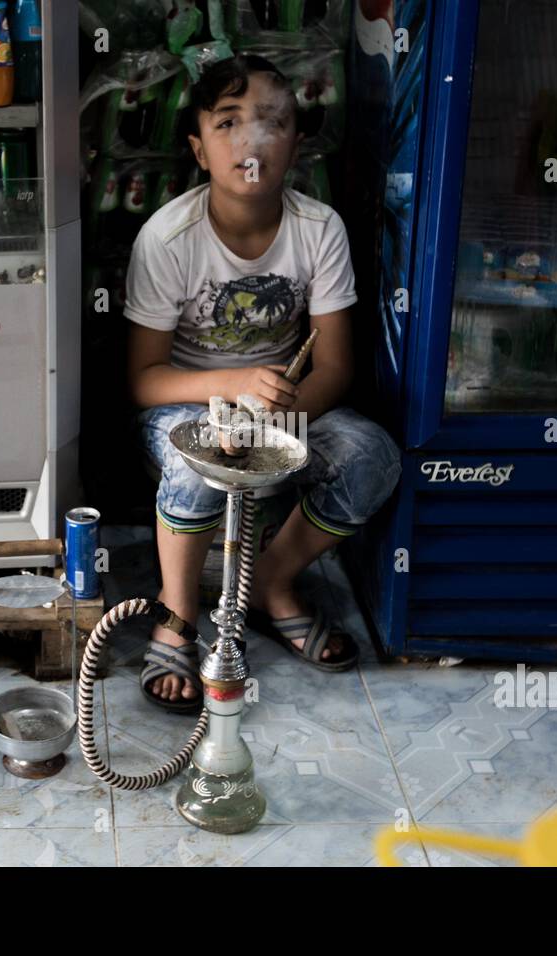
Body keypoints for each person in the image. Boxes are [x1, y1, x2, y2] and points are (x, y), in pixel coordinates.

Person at [124, 54, 401, 712]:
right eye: (228, 123)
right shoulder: (167, 239)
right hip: (185, 407)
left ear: (297, 146)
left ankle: (270, 586)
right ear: (198, 148)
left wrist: (273, 424)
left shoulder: (318, 230)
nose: (250, 142)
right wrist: (237, 384)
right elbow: (143, 382)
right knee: (198, 465)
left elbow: (334, 366)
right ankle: (177, 617)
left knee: (373, 457)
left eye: (271, 122)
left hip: (284, 409)